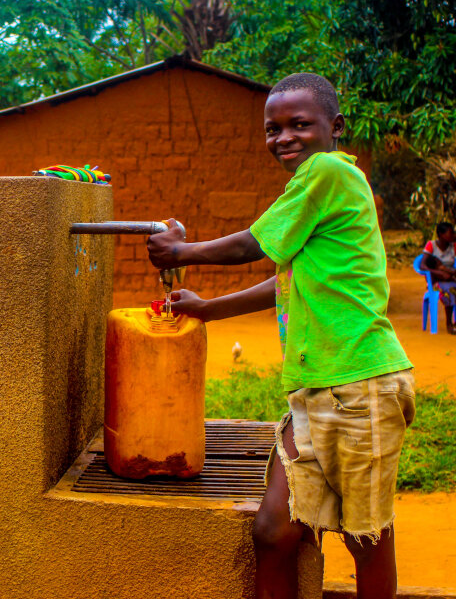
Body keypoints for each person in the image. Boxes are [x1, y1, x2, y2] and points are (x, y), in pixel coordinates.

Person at [148, 73, 414, 599]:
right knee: (274, 530)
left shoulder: (328, 172)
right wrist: (209, 309)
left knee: (366, 539)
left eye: (300, 124)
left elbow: (253, 244)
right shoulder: (317, 191)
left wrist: (180, 252)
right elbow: (288, 280)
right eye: (273, 129)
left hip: (361, 382)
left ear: (335, 126)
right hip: (314, 390)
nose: (285, 137)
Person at [419, 222, 456, 334]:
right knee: (450, 290)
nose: (453, 235)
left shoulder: (453, 245)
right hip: (436, 281)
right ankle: (449, 324)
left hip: (451, 277)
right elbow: (422, 265)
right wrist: (438, 272)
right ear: (441, 234)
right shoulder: (431, 245)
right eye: (450, 233)